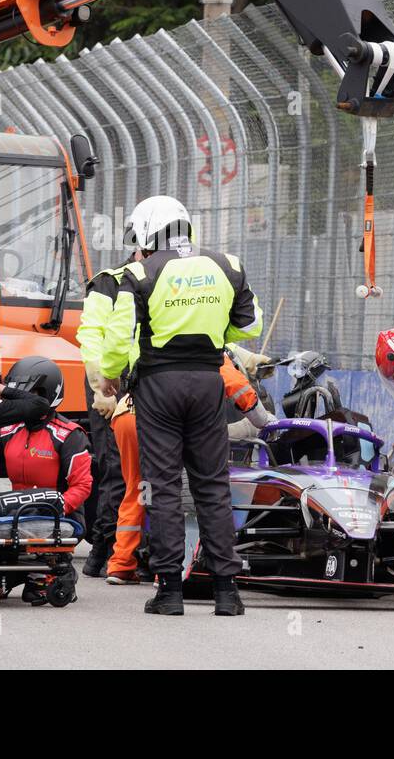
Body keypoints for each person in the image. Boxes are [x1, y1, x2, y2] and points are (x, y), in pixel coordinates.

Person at [101, 195, 263, 616]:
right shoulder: (229, 265)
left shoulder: (138, 273)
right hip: (209, 381)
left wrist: (113, 374)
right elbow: (249, 325)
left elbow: (118, 343)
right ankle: (227, 592)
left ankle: (170, 591)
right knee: (212, 485)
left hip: (157, 386)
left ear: (152, 231)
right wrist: (209, 330)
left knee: (163, 486)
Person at [106, 351, 272, 585]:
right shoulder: (207, 347)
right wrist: (263, 421)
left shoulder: (161, 335)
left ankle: (121, 564)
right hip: (161, 417)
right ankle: (165, 569)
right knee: (170, 490)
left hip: (127, 412)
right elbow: (237, 385)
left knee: (139, 488)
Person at [0, 357, 92, 605]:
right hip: (14, 516)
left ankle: (53, 570)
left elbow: (83, 486)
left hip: (57, 517)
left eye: (27, 393)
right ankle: (11, 571)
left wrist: (56, 508)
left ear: (45, 393)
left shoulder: (69, 435)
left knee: (35, 593)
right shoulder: (7, 430)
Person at [74, 226, 142, 578]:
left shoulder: (165, 279)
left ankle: (136, 550)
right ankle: (102, 548)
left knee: (146, 470)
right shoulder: (108, 282)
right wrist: (101, 387)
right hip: (110, 386)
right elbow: (91, 334)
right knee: (114, 467)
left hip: (148, 384)